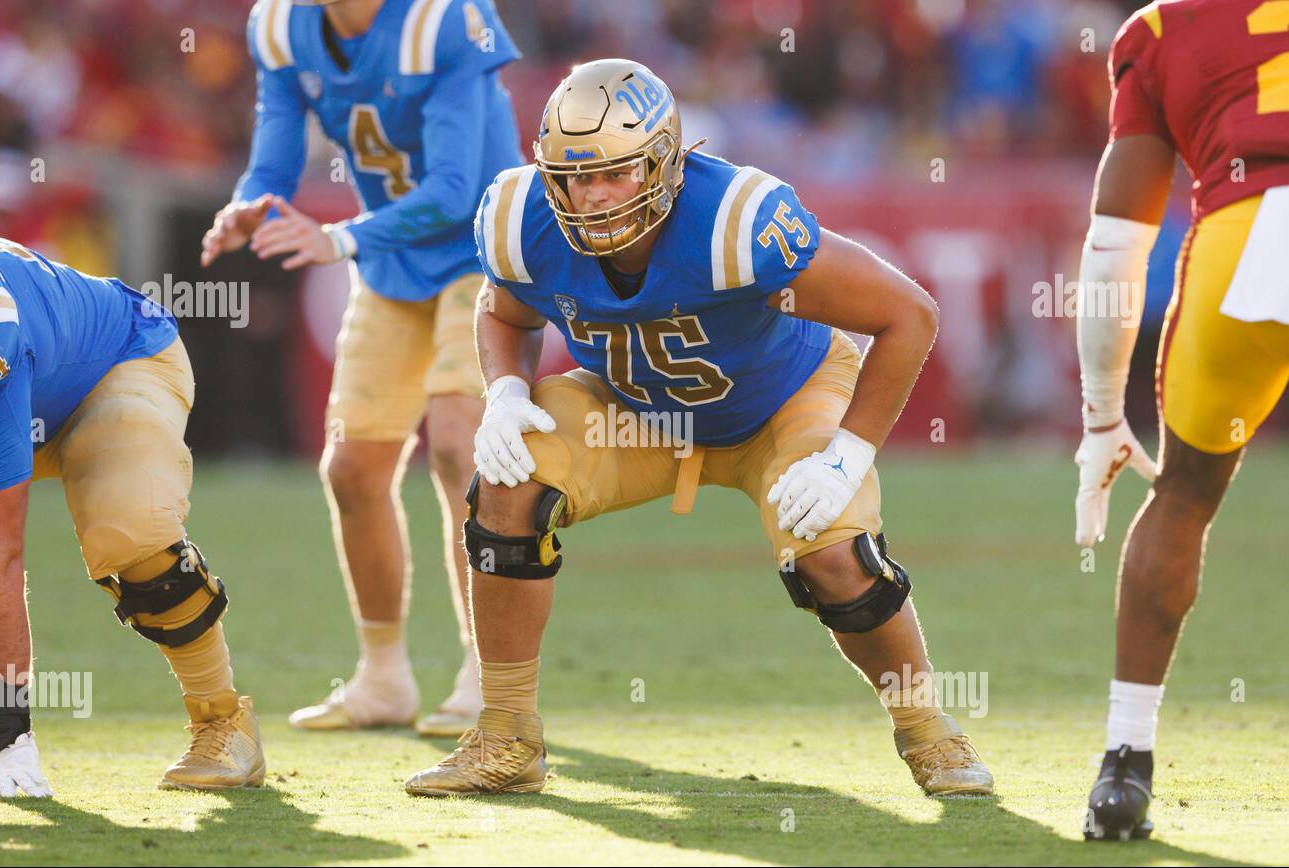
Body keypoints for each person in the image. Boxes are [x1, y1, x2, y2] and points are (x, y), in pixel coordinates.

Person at [404, 59, 995, 798]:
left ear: (664, 163)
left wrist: (846, 455)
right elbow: (504, 307)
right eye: (573, 178)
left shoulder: (732, 220)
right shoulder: (521, 219)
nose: (591, 197)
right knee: (508, 476)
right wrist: (508, 390)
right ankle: (506, 734)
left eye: (615, 174)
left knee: (837, 556)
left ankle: (929, 730)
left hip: (781, 400)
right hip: (639, 415)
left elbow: (909, 313)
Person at [201, 0, 522, 736]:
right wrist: (249, 205)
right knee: (350, 467)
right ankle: (383, 675)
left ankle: (489, 668)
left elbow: (453, 189)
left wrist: (339, 239)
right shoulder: (281, 25)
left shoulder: (442, 20)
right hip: (391, 264)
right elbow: (273, 160)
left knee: (457, 444)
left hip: (483, 254)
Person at [1074, 0, 1289, 840]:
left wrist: (1100, 416)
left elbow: (1116, 244)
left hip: (1250, 232)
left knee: (1186, 497)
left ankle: (1125, 765)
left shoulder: (1162, 31)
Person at [0, 237, 263, 796]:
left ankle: (221, 721)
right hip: (30, 379)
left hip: (114, 363)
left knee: (129, 530)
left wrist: (3, 734)